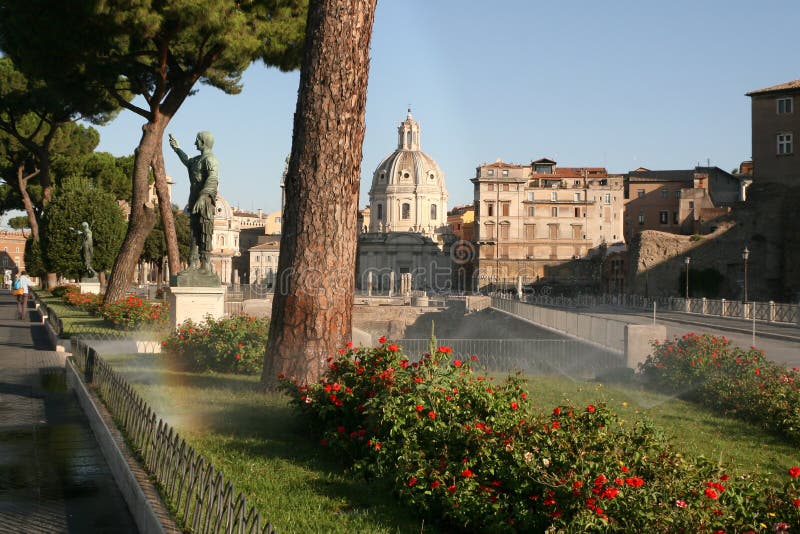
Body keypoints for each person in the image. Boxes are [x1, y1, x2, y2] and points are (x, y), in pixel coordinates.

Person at [168, 131, 219, 273]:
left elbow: (213, 179)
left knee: (205, 231)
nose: (195, 143)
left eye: (197, 140)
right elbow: (187, 161)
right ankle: (192, 264)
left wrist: (203, 197)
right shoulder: (197, 160)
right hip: (194, 200)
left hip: (205, 201)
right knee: (194, 232)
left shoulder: (211, 159)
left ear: (203, 142)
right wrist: (177, 149)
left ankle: (206, 265)